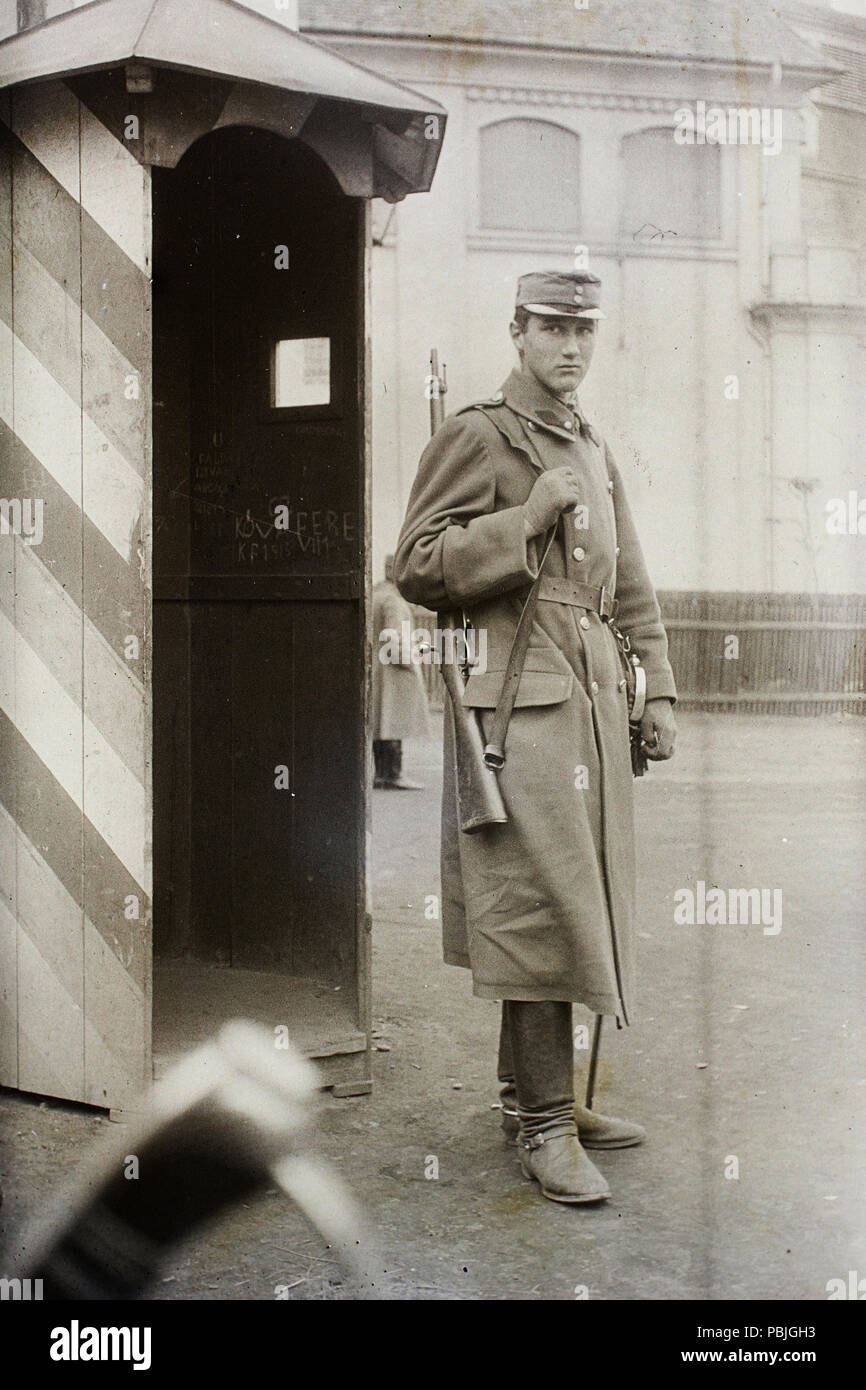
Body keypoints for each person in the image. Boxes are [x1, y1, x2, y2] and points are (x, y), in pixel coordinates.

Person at [394, 270, 677, 1204]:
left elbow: (628, 580)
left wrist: (658, 694)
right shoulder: (481, 432)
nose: (570, 347)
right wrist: (526, 519)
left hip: (593, 707)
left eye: (583, 331)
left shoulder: (589, 442)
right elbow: (416, 564)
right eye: (552, 328)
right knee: (538, 907)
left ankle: (536, 1099)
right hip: (519, 714)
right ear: (516, 333)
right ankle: (546, 1124)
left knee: (578, 904)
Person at [371, 554, 431, 790]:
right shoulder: (393, 601)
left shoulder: (375, 595)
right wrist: (410, 662)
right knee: (392, 721)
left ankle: (382, 773)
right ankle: (393, 775)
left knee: (381, 723)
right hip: (393, 671)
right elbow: (392, 637)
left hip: (378, 667)